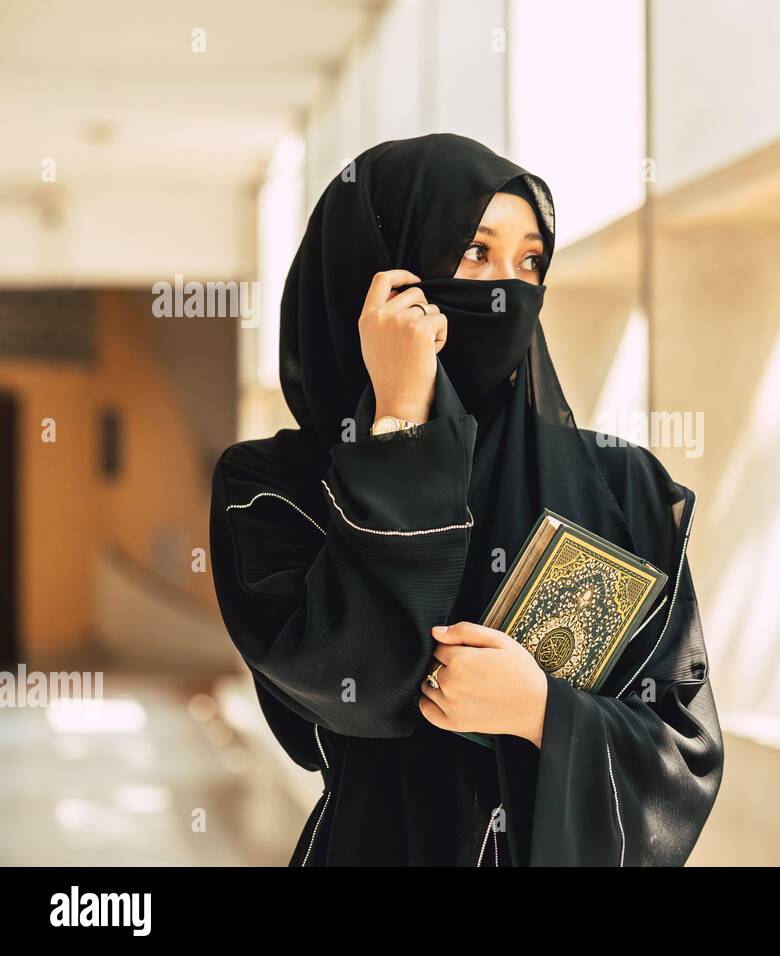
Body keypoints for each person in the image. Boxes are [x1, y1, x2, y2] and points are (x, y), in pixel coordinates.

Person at [208, 132, 724, 866]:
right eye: (474, 251)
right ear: (376, 270)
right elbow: (353, 689)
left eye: (530, 260)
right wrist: (398, 432)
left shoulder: (622, 489)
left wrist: (543, 713)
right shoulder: (270, 493)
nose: (506, 288)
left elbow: (685, 750)